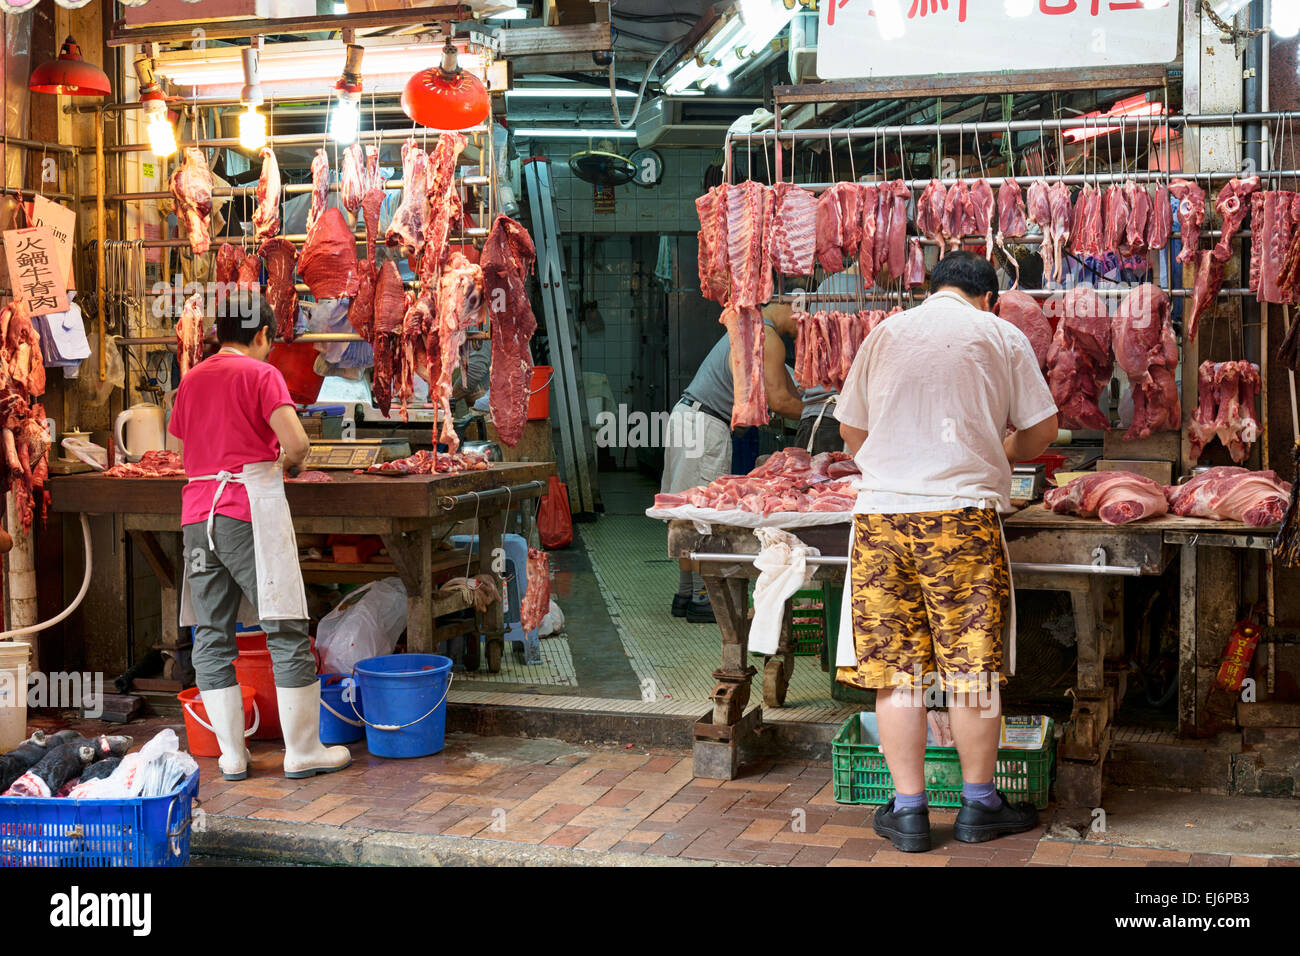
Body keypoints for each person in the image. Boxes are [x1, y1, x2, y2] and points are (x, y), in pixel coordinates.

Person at [832, 251, 1058, 853]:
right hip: (960, 519)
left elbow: (852, 433)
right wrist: (992, 450)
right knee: (971, 671)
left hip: (882, 517)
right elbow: (1042, 431)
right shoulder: (999, 333)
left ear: (933, 289)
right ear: (987, 296)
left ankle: (908, 813)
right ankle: (979, 807)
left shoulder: (885, 333)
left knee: (897, 670)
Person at [169, 297, 350, 782]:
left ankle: (231, 756)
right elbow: (297, 444)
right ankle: (303, 751)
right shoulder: (260, 374)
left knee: (210, 633)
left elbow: (180, 446)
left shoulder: (191, 379)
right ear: (263, 335)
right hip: (247, 507)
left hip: (197, 514)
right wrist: (290, 464)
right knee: (285, 625)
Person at [662, 302, 805, 623]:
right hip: (705, 425)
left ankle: (685, 593)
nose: (804, 331)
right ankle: (702, 597)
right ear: (795, 309)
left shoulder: (751, 327)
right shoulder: (768, 337)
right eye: (806, 321)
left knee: (685, 512)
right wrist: (828, 414)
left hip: (688, 416)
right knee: (702, 516)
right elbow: (781, 400)